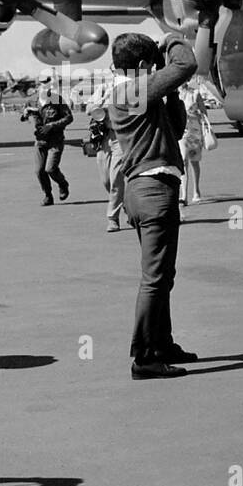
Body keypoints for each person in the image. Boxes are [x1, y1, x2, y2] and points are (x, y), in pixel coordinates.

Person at [108, 32, 199, 380]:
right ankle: (144, 356)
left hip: (152, 189)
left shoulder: (139, 94)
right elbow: (186, 64)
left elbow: (174, 129)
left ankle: (162, 344)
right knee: (154, 279)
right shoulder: (133, 90)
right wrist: (174, 38)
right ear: (145, 67)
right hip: (152, 189)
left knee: (162, 277)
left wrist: (170, 89)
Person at [86, 83, 127, 232]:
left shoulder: (128, 88)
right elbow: (88, 109)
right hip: (103, 138)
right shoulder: (104, 87)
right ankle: (126, 203)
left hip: (119, 137)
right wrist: (103, 100)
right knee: (106, 180)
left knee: (116, 178)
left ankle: (113, 218)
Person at [24, 84, 73, 206]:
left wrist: (51, 126)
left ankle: (63, 184)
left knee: (50, 168)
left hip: (55, 141)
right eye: (43, 89)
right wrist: (25, 114)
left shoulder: (57, 100)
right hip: (40, 141)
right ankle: (48, 195)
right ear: (38, 90)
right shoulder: (32, 101)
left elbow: (69, 117)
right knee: (39, 171)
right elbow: (25, 117)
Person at [179, 75, 222, 206]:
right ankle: (184, 195)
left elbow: (204, 112)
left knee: (194, 162)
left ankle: (196, 190)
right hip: (181, 133)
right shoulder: (174, 96)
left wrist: (199, 118)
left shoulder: (195, 93)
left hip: (195, 131)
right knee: (183, 161)